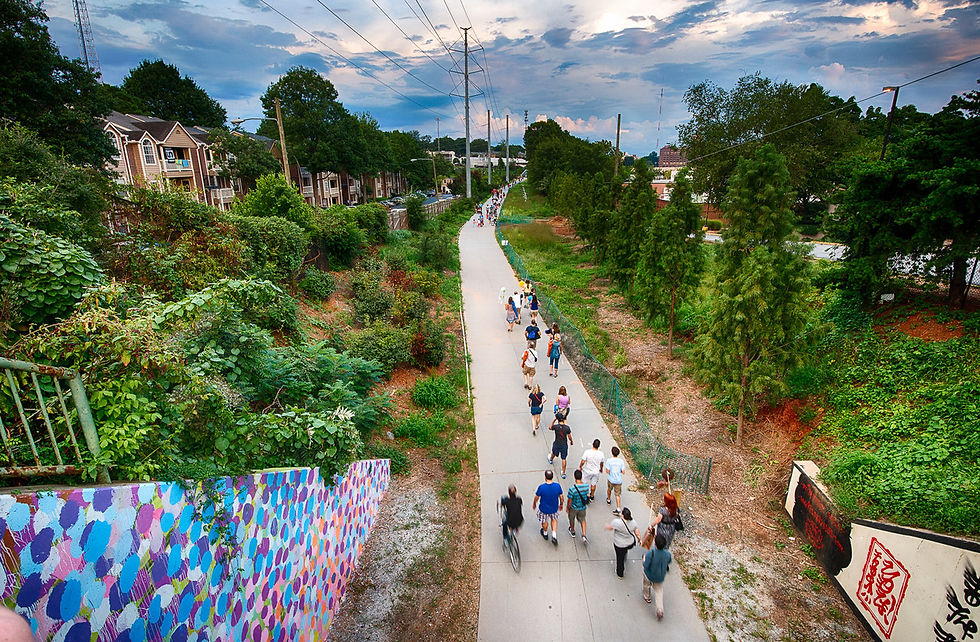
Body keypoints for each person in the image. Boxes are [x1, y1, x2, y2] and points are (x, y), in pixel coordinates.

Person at [643, 534, 672, 619]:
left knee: (646, 585)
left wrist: (644, 559)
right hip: (660, 577)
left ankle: (647, 597)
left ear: (655, 544)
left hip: (649, 575)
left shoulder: (651, 553)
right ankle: (660, 609)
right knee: (659, 592)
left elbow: (646, 565)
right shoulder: (667, 554)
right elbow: (669, 561)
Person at [606, 507, 641, 578]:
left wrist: (606, 526)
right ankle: (625, 555)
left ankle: (620, 573)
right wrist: (639, 539)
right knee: (624, 551)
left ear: (622, 515)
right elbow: (637, 532)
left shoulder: (617, 522)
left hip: (619, 544)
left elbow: (610, 527)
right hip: (629, 543)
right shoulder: (633, 522)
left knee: (619, 559)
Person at [533, 469, 564, 545]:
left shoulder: (542, 487)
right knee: (554, 519)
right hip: (554, 507)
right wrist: (561, 504)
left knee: (544, 521)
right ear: (552, 477)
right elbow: (561, 497)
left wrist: (534, 503)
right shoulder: (557, 486)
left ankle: (545, 533)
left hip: (544, 508)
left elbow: (537, 497)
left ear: (545, 477)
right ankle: (554, 535)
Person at [566, 468, 591, 543]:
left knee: (571, 519)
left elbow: (569, 500)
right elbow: (587, 495)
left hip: (574, 507)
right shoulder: (586, 486)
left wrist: (568, 508)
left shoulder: (572, 489)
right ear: (581, 476)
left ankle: (572, 531)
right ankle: (584, 535)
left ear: (574, 477)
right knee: (583, 520)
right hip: (582, 507)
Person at [547, 413, 573, 479]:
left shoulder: (556, 427)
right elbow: (569, 436)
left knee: (554, 452)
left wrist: (553, 420)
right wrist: (571, 441)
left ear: (557, 419)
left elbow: (550, 428)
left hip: (557, 443)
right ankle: (563, 473)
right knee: (563, 459)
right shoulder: (567, 428)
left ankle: (551, 459)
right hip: (564, 444)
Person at [605, 446, 627, 514]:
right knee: (617, 494)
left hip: (611, 479)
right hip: (618, 480)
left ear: (612, 453)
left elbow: (607, 471)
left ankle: (608, 499)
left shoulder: (609, 461)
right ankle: (618, 508)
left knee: (609, 489)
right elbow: (623, 472)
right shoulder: (621, 461)